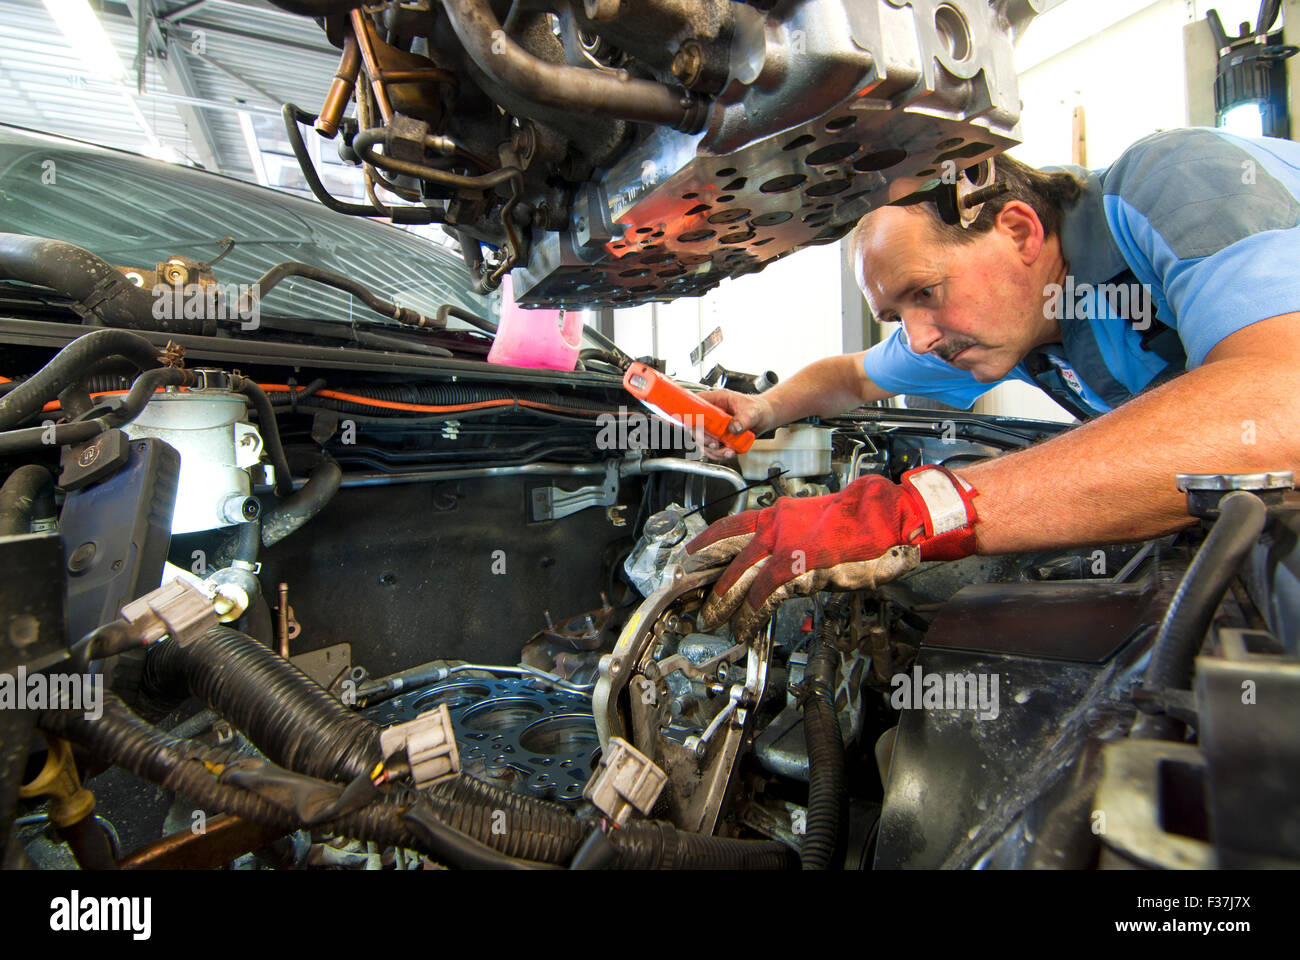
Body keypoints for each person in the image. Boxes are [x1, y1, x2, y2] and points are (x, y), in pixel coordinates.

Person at [687, 126, 1300, 643]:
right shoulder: (1001, 319)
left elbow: (1279, 408)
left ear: (1019, 231)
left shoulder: (1180, 180)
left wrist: (917, 510)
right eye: (899, 315)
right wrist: (761, 408)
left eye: (924, 292)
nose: (920, 338)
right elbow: (852, 376)